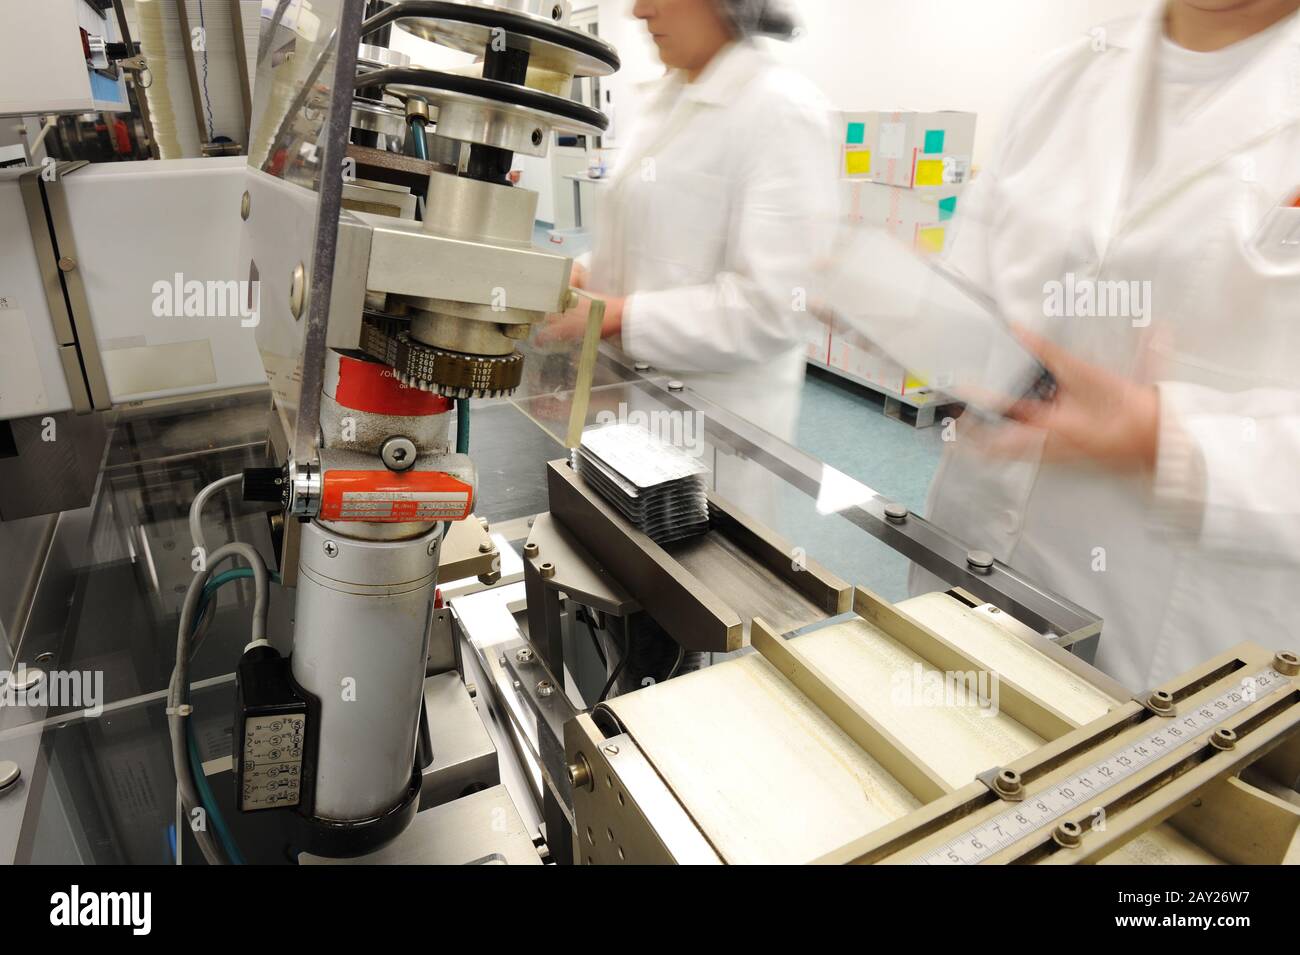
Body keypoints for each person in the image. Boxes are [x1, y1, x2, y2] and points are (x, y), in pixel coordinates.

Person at [919, 0, 1300, 691]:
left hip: (1171, 646)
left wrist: (1169, 437)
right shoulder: (1062, 80)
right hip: (966, 561)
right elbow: (971, 296)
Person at [537, 0, 838, 443]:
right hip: (631, 403)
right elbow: (651, 235)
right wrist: (586, 270)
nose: (638, 12)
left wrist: (616, 315)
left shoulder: (782, 110)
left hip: (713, 430)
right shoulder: (668, 97)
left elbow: (776, 308)